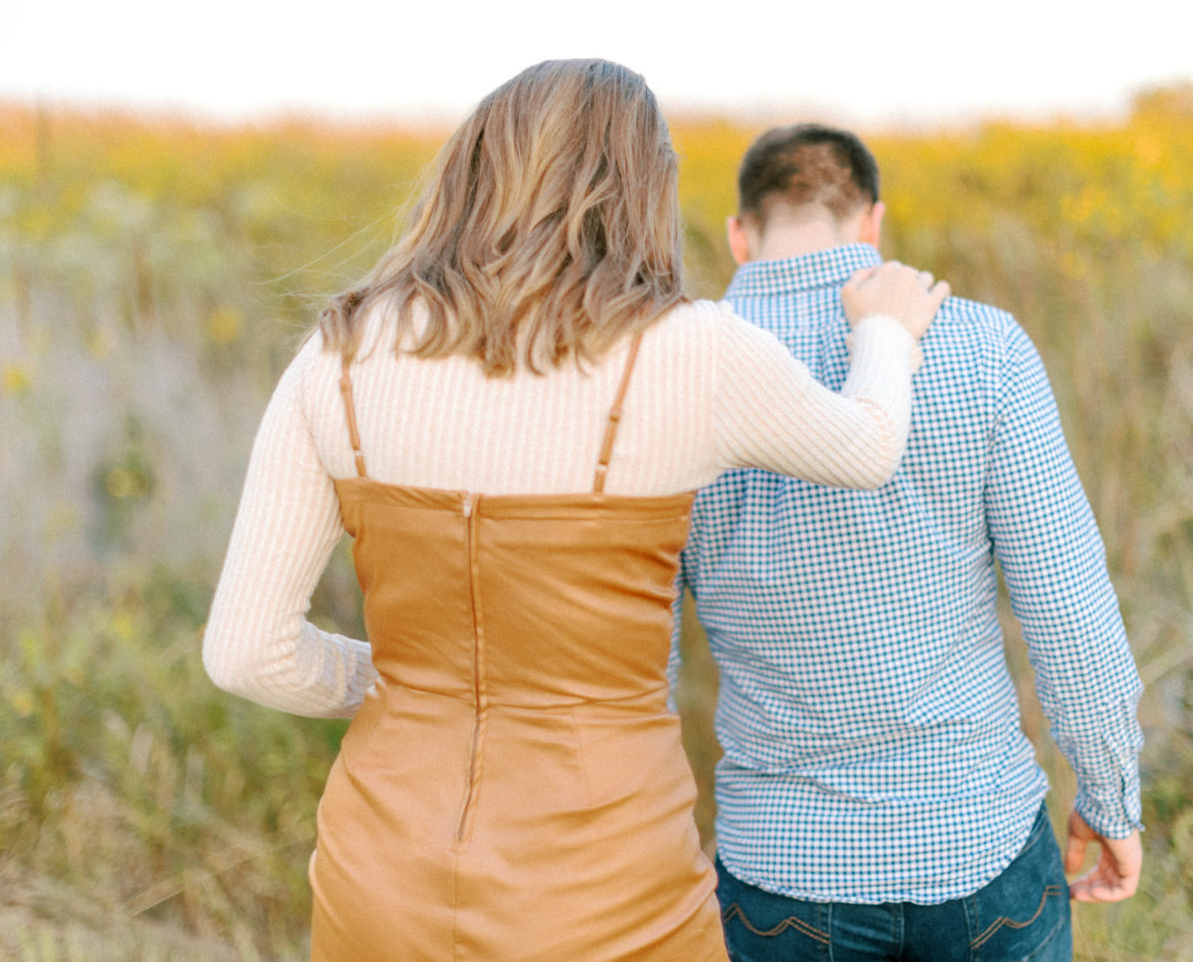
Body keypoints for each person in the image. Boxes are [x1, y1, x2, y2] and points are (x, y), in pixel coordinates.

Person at [202, 63, 949, 962]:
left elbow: (246, 653)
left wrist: (420, 684)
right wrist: (885, 334)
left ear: (471, 171)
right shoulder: (688, 350)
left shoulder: (337, 353)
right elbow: (866, 447)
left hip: (379, 880)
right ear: (641, 188)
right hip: (609, 893)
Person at [672, 124, 1145, 962]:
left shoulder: (668, 372)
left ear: (740, 234)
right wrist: (1110, 801)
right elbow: (1071, 610)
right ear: (871, 223)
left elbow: (640, 656)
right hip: (980, 849)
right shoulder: (981, 346)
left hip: (781, 869)